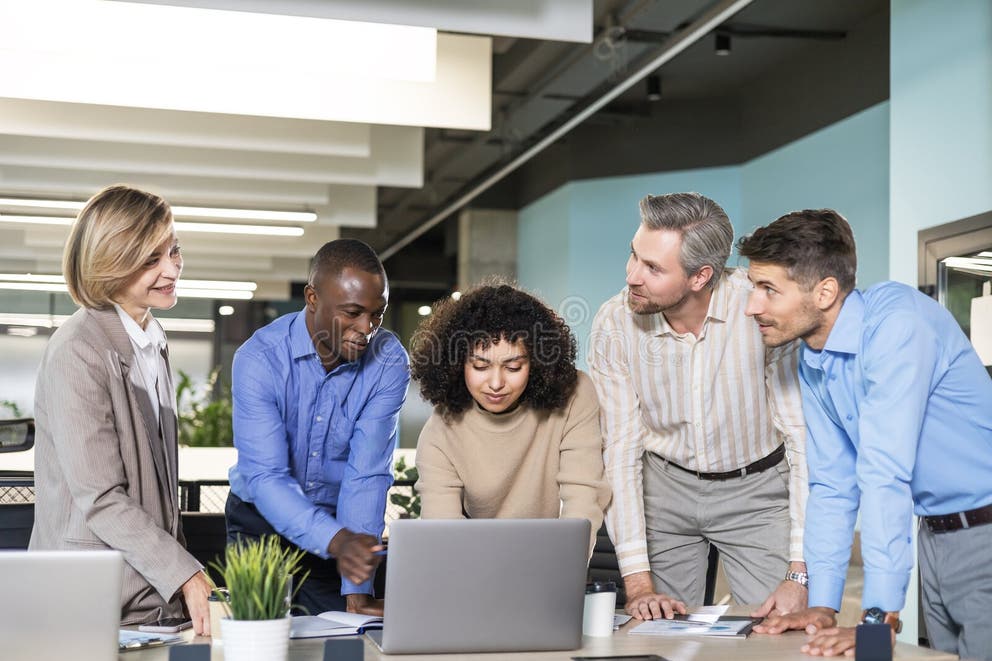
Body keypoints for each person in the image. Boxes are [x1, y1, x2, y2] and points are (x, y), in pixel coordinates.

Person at [741, 210, 992, 660]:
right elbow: (834, 486)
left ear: (825, 292)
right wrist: (822, 606)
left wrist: (878, 618)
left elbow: (883, 474)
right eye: (753, 288)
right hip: (933, 537)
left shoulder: (896, 325)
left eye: (768, 290)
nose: (752, 306)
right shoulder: (814, 358)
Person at [588, 192, 809, 621]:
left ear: (700, 276)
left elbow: (801, 437)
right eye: (634, 256)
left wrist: (799, 570)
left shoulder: (759, 307)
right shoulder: (615, 321)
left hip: (757, 490)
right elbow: (619, 447)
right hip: (664, 487)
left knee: (776, 629)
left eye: (653, 268)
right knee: (661, 630)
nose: (632, 276)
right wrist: (637, 583)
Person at [30, 185, 212, 633]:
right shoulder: (78, 349)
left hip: (145, 599)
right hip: (87, 600)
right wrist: (184, 572)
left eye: (173, 250)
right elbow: (101, 496)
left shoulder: (153, 340)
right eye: (150, 260)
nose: (171, 268)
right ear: (111, 264)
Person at [225, 239, 409, 617]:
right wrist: (337, 541)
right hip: (261, 523)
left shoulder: (389, 361)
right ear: (312, 298)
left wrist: (357, 589)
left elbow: (367, 475)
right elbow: (266, 476)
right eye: (353, 312)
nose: (367, 328)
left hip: (339, 524)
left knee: (345, 635)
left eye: (378, 314)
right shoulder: (259, 359)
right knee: (264, 637)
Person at [410, 283, 611, 554]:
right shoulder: (440, 432)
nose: (496, 383)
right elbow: (445, 538)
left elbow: (582, 502)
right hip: (478, 563)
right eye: (480, 366)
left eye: (513, 367)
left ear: (538, 362)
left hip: (556, 558)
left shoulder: (575, 395)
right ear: (457, 363)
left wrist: (561, 573)